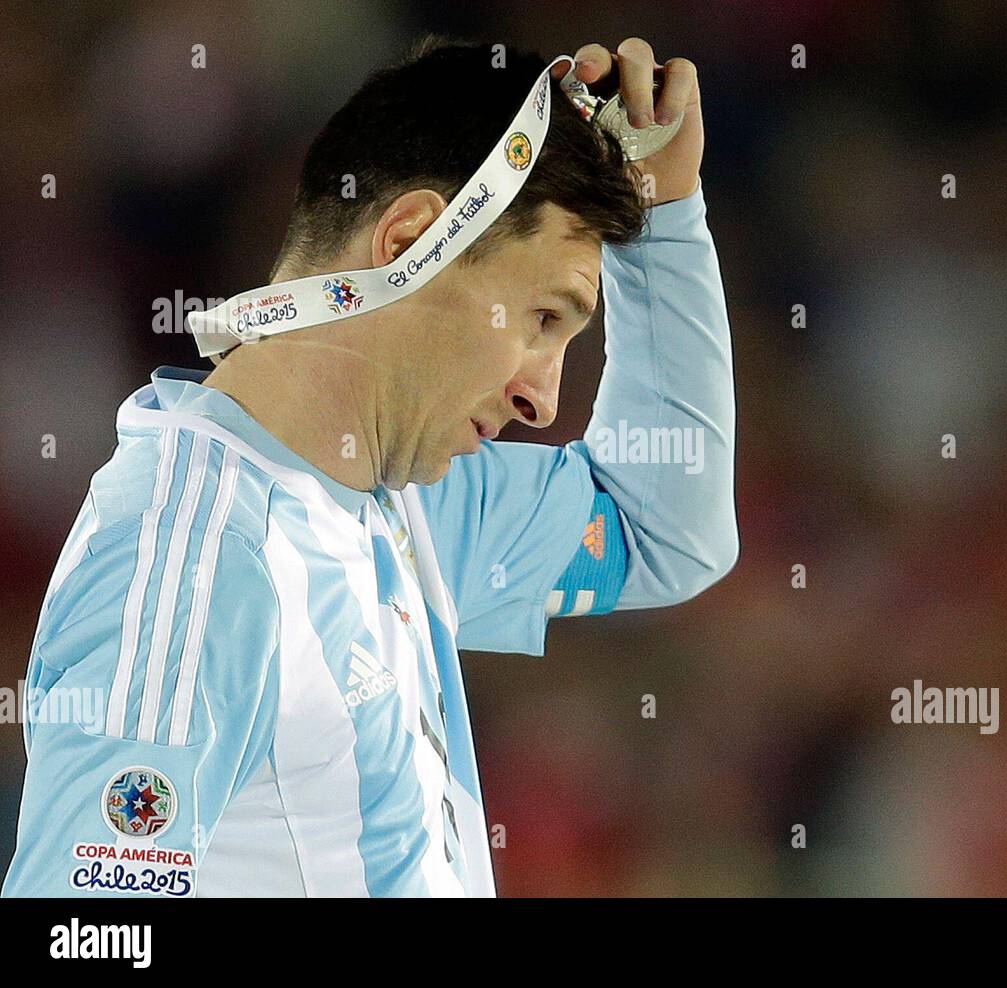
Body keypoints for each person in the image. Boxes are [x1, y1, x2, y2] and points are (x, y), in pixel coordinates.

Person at [2, 34, 736, 897]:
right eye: (542, 317)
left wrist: (666, 214)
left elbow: (662, 528)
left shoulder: (400, 506)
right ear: (410, 240)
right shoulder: (192, 565)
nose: (543, 399)